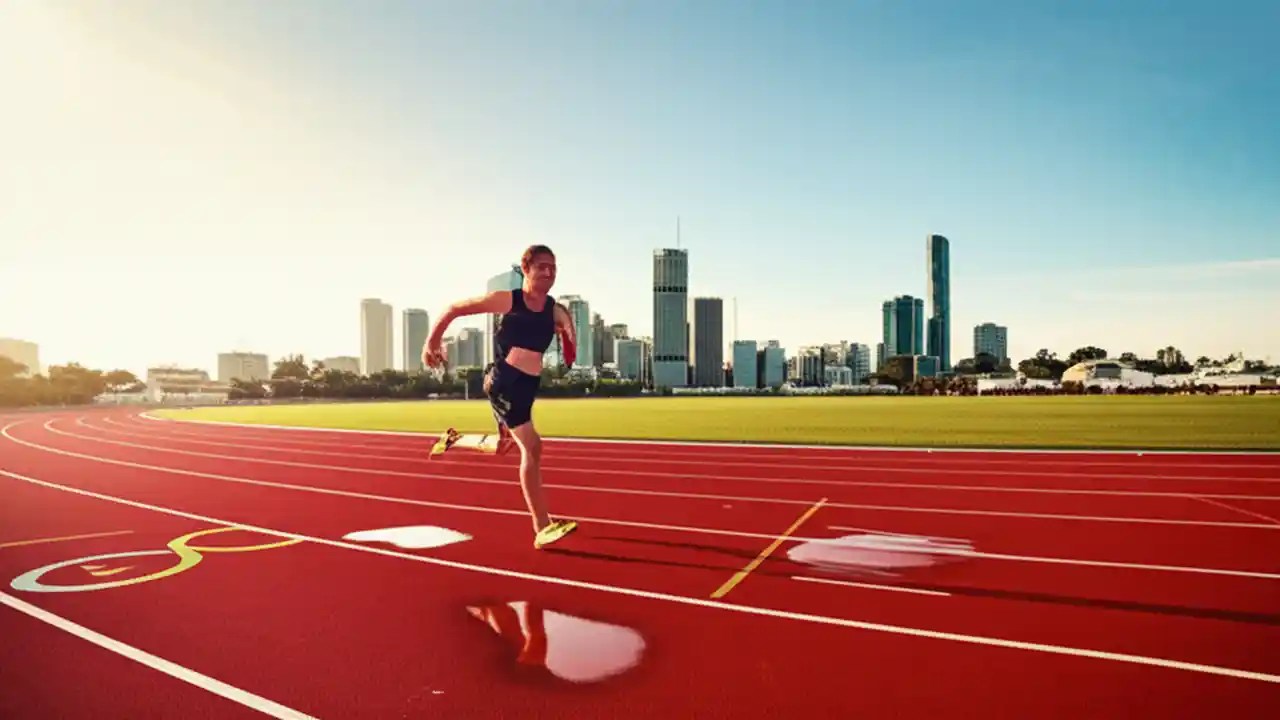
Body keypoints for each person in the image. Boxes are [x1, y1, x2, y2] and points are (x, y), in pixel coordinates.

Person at [422, 244, 579, 549]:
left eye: (553, 267)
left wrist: (567, 333)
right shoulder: (508, 300)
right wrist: (432, 342)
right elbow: (455, 309)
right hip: (505, 381)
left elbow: (570, 343)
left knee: (505, 446)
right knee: (533, 448)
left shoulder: (556, 309)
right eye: (542, 266)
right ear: (526, 269)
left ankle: (453, 439)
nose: (548, 272)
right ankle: (542, 527)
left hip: (527, 386)